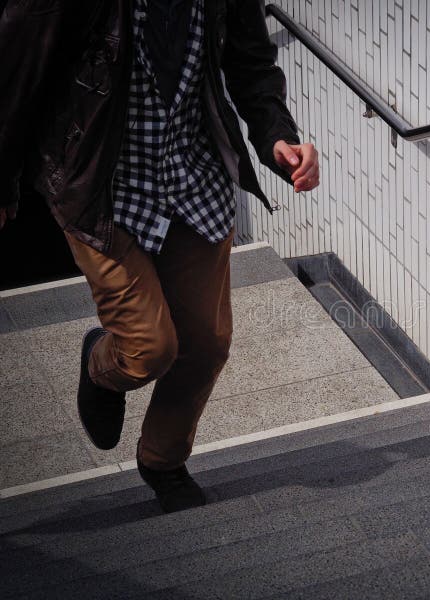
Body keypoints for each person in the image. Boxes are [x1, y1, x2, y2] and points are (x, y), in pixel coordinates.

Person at [0, 0, 319, 511]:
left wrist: (278, 136)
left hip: (194, 176)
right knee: (149, 348)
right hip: (99, 185)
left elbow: (251, 62)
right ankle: (100, 363)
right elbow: (16, 68)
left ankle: (163, 460)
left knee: (206, 343)